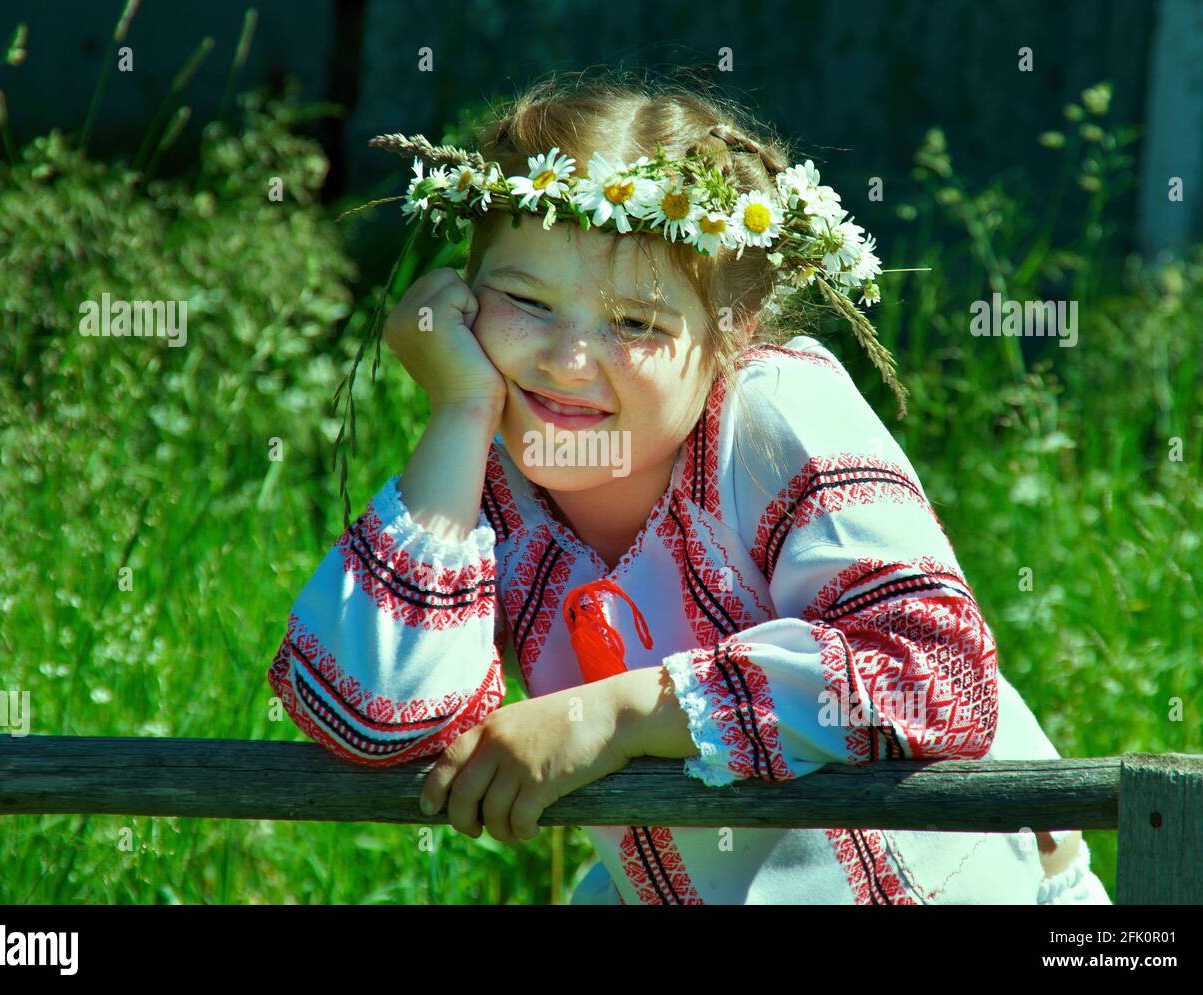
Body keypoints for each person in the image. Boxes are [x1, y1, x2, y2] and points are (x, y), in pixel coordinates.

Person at [267, 73, 1111, 905]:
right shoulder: (486, 479)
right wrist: (458, 412)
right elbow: (376, 719)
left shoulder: (768, 417)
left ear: (731, 332)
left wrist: (622, 714)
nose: (566, 362)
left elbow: (936, 673)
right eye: (525, 299)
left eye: (635, 322)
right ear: (463, 294)